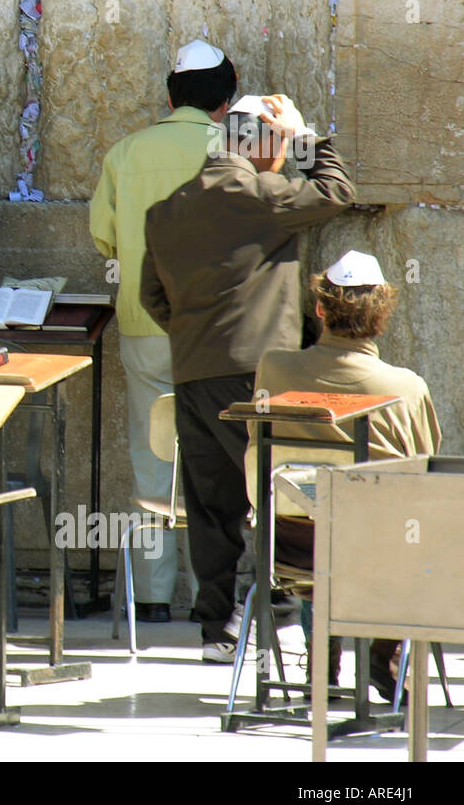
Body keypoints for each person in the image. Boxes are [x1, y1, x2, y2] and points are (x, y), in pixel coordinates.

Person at [139, 94, 355, 661]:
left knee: (212, 507)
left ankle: (217, 629)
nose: (284, 157)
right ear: (256, 144)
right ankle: (281, 619)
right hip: (257, 377)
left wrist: (195, 335)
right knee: (279, 493)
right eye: (279, 146)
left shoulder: (165, 210)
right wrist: (307, 135)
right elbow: (336, 191)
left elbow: (153, 297)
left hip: (192, 374)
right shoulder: (258, 195)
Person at [90, 39, 236, 622]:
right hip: (224, 336)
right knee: (227, 464)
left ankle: (151, 598)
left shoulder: (127, 151)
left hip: (145, 326)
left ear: (170, 94)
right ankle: (225, 594)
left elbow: (105, 236)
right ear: (226, 101)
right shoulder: (238, 150)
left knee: (153, 461)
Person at [252, 249, 440, 699]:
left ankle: (322, 661)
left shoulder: (274, 369)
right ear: (382, 315)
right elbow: (426, 478)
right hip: (380, 555)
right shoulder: (406, 387)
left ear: (320, 308)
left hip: (288, 547)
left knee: (320, 523)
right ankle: (383, 655)